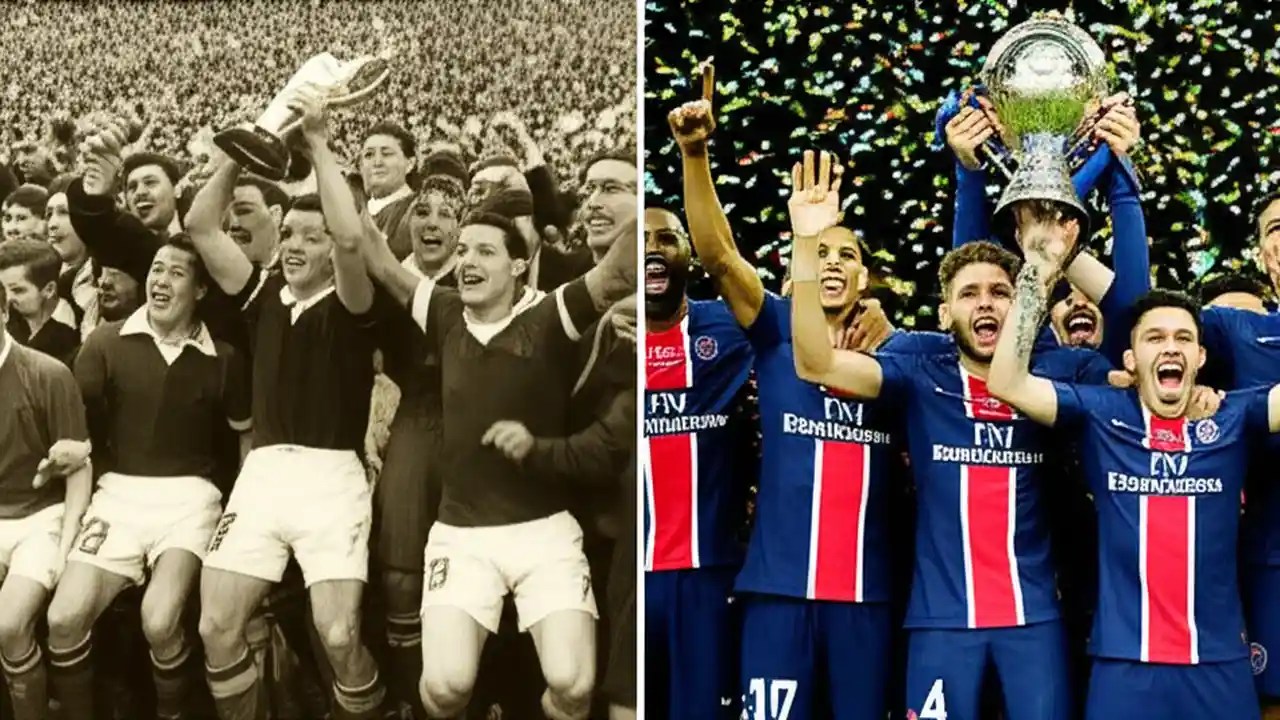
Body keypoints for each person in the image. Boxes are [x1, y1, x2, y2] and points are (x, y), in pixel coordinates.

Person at [786, 150, 1139, 719]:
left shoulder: (1057, 371)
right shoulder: (919, 369)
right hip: (940, 626)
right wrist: (806, 244)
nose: (986, 304)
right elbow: (815, 363)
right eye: (970, 294)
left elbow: (1132, 326)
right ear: (945, 313)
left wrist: (1057, 264)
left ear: (1023, 300)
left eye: (1000, 292)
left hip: (1035, 624)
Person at [668, 62, 917, 720]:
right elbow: (719, 256)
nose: (832, 263)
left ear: (865, 281)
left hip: (866, 600)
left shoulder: (898, 357)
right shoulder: (774, 329)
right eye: (820, 252)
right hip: (777, 597)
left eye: (847, 255)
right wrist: (696, 155)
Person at [360, 154, 634, 718]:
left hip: (547, 531)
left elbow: (613, 275)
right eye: (463, 250)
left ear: (518, 265)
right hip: (462, 536)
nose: (466, 260)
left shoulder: (550, 315)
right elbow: (375, 257)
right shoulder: (443, 313)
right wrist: (318, 143)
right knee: (444, 686)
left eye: (484, 251)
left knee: (574, 685)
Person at [986, 206, 1280, 720]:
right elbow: (1006, 382)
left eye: (1184, 338)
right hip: (1124, 667)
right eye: (1155, 338)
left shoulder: (1234, 415)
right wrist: (1035, 272)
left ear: (1202, 358)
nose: (1171, 347)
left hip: (1220, 667)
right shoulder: (1102, 412)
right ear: (1130, 359)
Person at [179, 85, 389, 720]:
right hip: (265, 471)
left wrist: (319, 142)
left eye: (312, 235)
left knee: (339, 634)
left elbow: (354, 242)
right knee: (216, 627)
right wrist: (246, 147)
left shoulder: (355, 304)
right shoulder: (260, 296)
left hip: (332, 475)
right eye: (289, 234)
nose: (296, 245)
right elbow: (199, 225)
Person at [44, 235, 250, 720]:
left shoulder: (224, 359)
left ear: (200, 290)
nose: (161, 280)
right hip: (117, 497)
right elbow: (78, 430)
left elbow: (246, 441)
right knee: (63, 617)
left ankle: (172, 713)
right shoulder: (105, 342)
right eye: (157, 268)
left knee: (159, 621)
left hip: (192, 502)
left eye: (177, 272)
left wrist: (241, 509)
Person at [642, 205, 754, 719]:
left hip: (709, 575)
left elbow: (803, 327)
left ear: (689, 253)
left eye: (666, 238)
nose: (650, 249)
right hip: (630, 577)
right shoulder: (602, 334)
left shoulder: (730, 329)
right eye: (639, 240)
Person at [0, 279, 93, 720]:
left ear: (4, 315)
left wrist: (65, 544)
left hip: (41, 518)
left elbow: (79, 466)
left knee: (9, 624)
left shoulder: (48, 374)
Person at [0, 238, 79, 366]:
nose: (7, 298)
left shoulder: (75, 334)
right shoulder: (10, 318)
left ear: (49, 290)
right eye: (2, 290)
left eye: (18, 290)